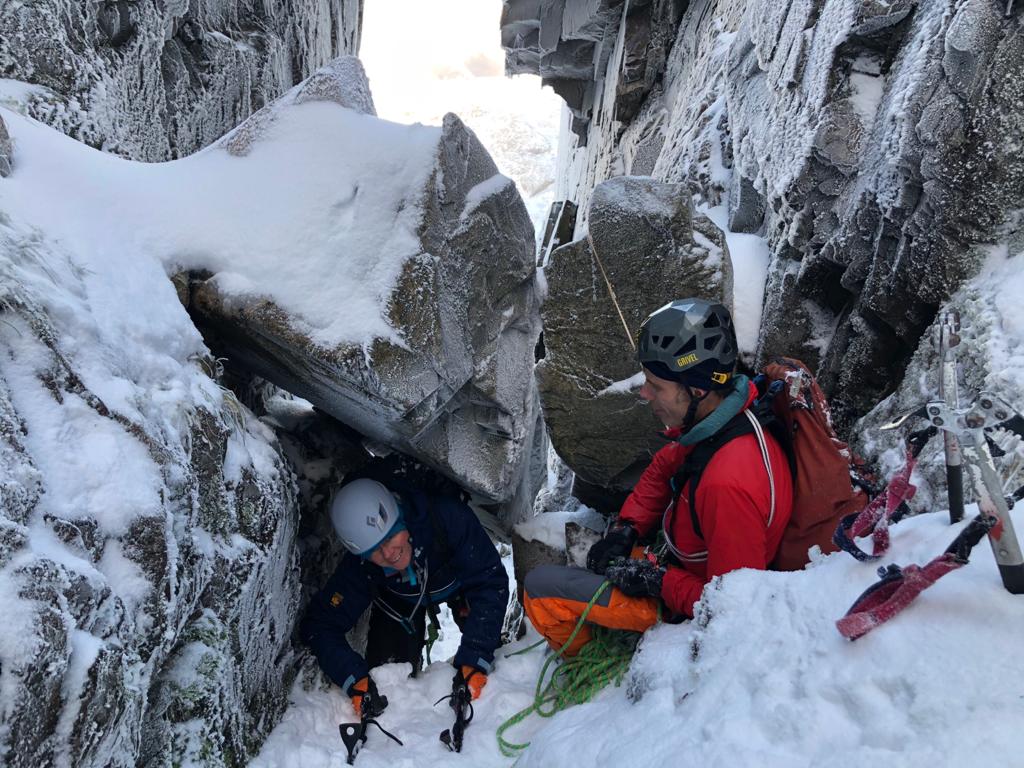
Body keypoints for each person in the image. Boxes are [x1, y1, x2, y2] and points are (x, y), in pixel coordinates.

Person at [524, 298, 794, 654]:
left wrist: (657, 581)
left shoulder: (727, 485)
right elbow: (665, 465)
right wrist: (627, 528)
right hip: (681, 562)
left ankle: (593, 666)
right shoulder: (726, 417)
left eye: (657, 385)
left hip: (677, 601)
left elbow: (730, 604)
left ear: (696, 390)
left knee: (539, 589)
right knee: (594, 556)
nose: (644, 393)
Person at [300, 476, 509, 718]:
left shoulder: (448, 518)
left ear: (400, 516)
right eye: (375, 551)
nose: (389, 554)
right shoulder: (362, 566)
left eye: (390, 537)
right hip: (400, 600)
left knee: (483, 641)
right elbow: (321, 624)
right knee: (391, 678)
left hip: (459, 583)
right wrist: (353, 679)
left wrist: (476, 656)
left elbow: (490, 581)